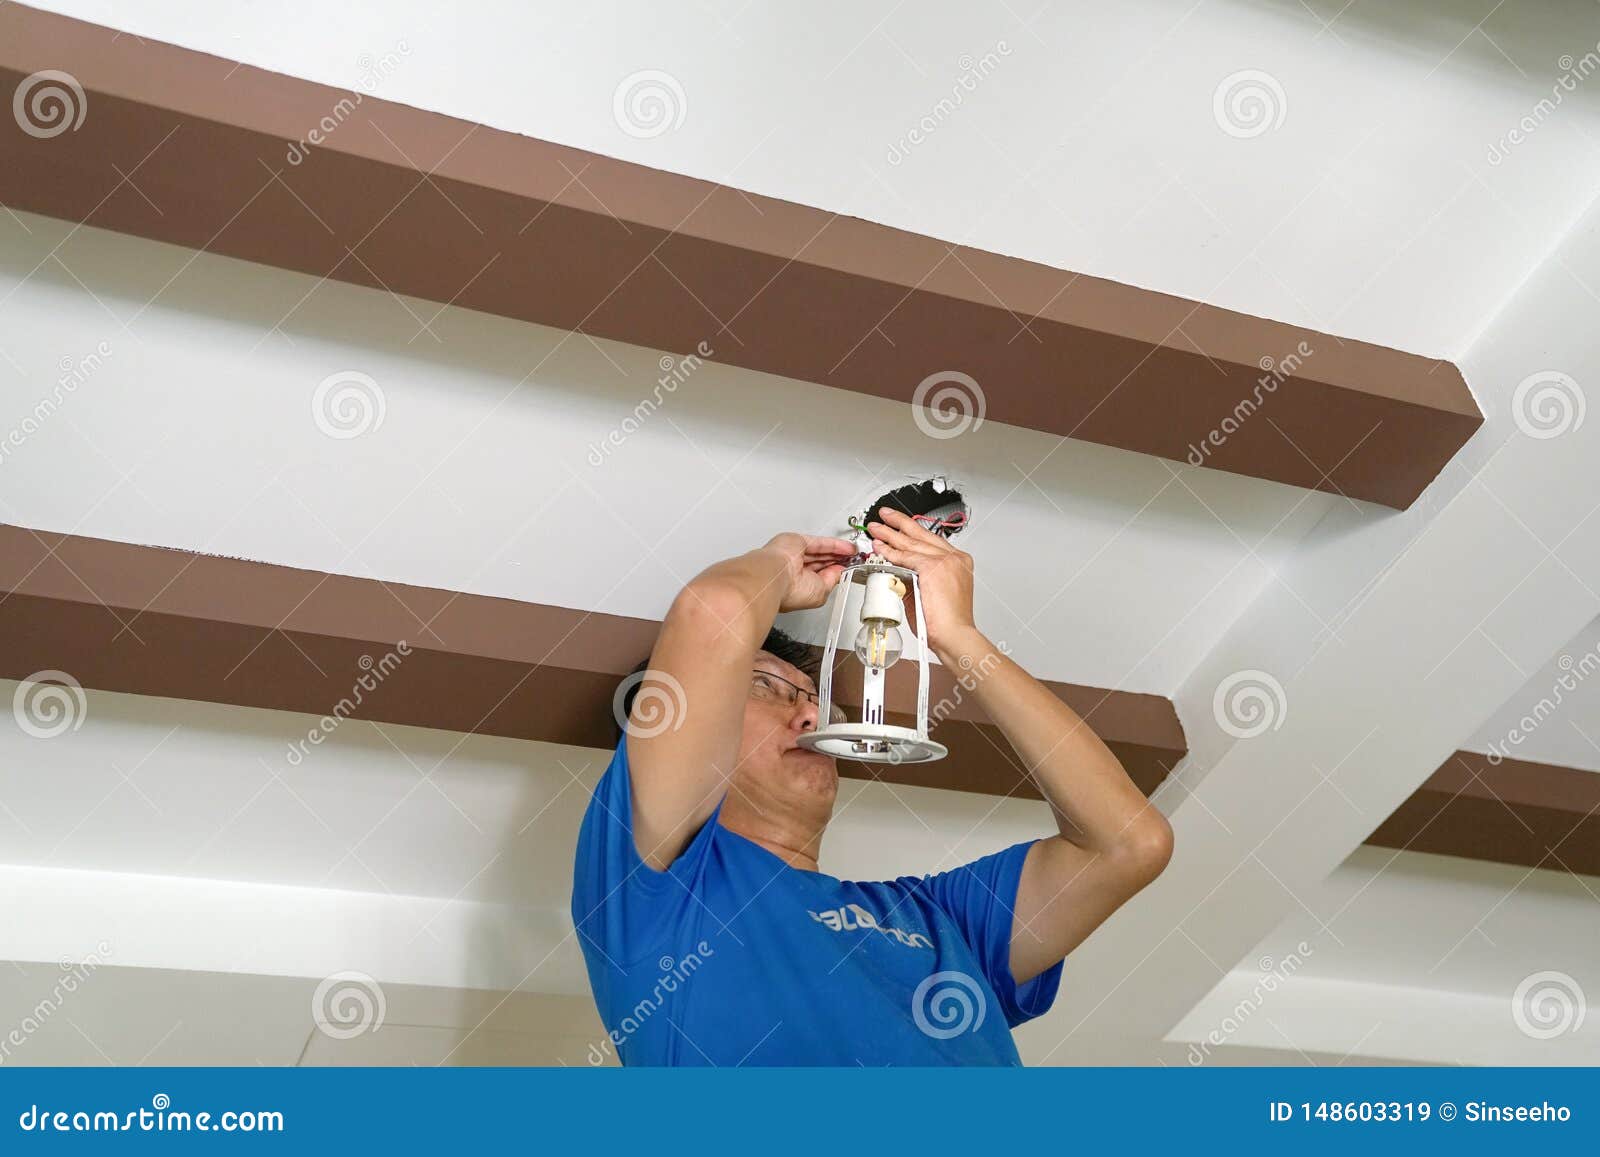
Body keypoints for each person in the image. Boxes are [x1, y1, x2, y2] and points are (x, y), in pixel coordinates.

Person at [571, 507, 1173, 1065]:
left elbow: (1127, 843)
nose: (812, 718)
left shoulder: (938, 922)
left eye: (812, 698)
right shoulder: (658, 892)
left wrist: (957, 637)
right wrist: (781, 563)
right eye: (763, 687)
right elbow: (714, 612)